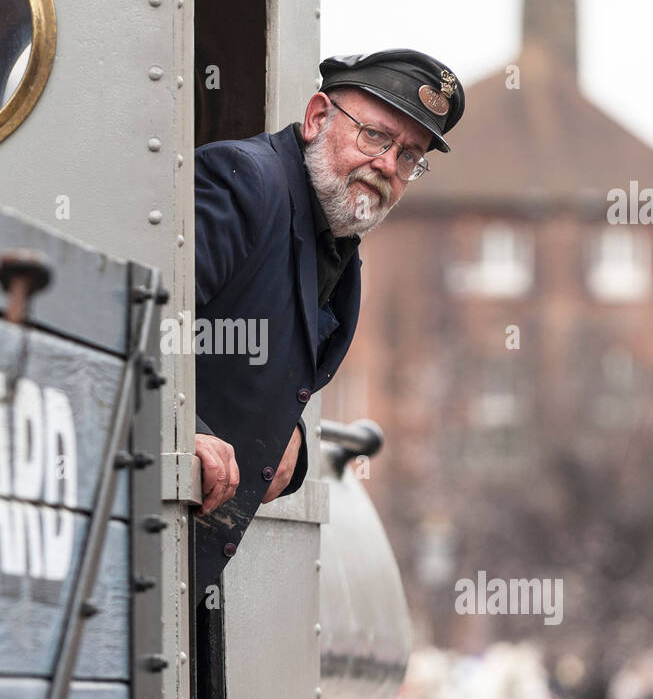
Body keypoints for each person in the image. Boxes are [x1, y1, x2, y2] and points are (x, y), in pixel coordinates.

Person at [192, 50, 466, 604]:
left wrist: (291, 439)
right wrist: (182, 430)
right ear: (318, 117)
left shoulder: (340, 249)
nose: (388, 165)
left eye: (410, 156)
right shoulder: (242, 182)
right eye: (374, 136)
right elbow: (144, 322)